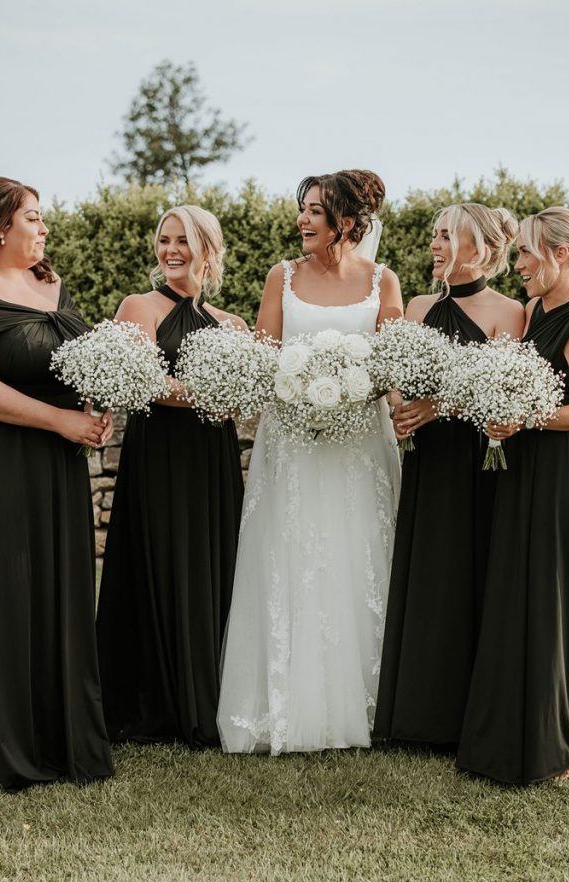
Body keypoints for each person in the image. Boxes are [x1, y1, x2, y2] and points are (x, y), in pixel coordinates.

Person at [0, 176, 113, 790]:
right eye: (33, 217)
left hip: (50, 458)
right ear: (0, 225)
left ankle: (56, 732)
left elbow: (60, 359)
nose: (43, 228)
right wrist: (62, 419)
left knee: (53, 584)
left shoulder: (49, 284)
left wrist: (98, 399)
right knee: (0, 584)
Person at [217, 170, 403, 754]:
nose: (302, 219)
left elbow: (393, 367)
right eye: (302, 209)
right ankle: (283, 705)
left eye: (315, 212)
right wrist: (297, 392)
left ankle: (371, 702)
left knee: (359, 555)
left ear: (346, 222)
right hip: (291, 442)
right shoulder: (282, 276)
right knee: (290, 552)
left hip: (359, 444)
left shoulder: (383, 280)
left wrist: (364, 396)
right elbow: (265, 358)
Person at [457, 207, 569, 784]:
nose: (517, 263)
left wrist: (526, 418)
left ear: (561, 256)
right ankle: (508, 726)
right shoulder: (530, 310)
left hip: (558, 472)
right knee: (516, 589)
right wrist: (496, 414)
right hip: (518, 467)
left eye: (525, 253)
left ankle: (561, 740)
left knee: (554, 595)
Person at [374, 203, 525, 746]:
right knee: (429, 571)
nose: (434, 245)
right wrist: (401, 406)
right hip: (427, 459)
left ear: (480, 248)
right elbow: (394, 373)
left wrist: (435, 407)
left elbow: (503, 387)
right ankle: (419, 713)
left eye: (446, 236)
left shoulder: (509, 312)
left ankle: (467, 712)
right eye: (434, 235)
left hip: (475, 460)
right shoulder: (416, 305)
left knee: (472, 569)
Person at [97, 205, 246, 747]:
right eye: (164, 240)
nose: (171, 250)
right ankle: (155, 699)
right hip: (158, 452)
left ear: (208, 248)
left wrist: (229, 393)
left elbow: (241, 396)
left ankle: (212, 692)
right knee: (160, 559)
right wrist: (205, 391)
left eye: (183, 240)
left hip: (212, 457)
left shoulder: (232, 324)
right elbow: (141, 382)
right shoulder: (139, 307)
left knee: (213, 560)